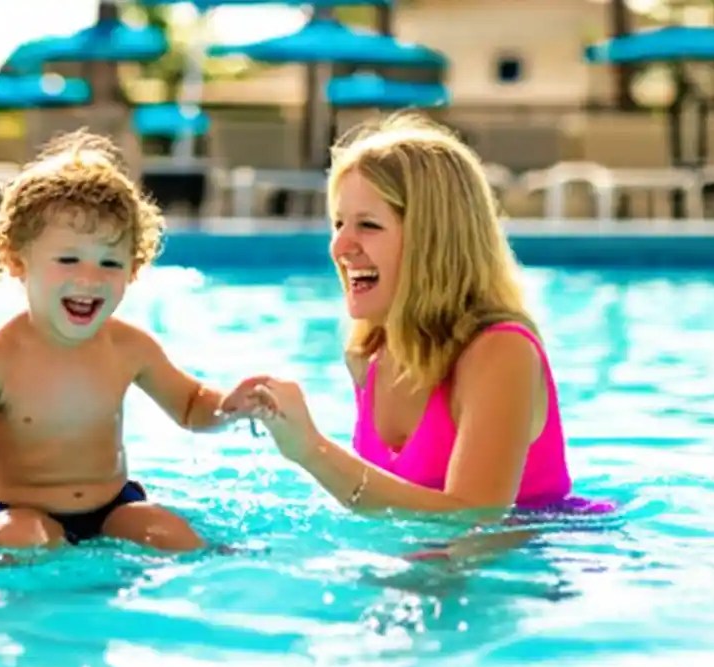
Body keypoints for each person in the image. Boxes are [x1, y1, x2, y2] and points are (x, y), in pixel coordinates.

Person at [227, 114, 612, 520]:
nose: (340, 246)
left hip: (526, 571)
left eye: (368, 225)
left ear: (433, 240)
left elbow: (473, 521)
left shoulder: (501, 350)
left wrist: (313, 450)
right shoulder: (370, 353)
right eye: (339, 223)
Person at [0, 131, 257, 560]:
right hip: (19, 510)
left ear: (134, 269)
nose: (89, 279)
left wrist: (231, 406)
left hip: (111, 507)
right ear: (16, 261)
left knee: (167, 531)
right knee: (19, 534)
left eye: (110, 263)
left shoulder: (128, 346)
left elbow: (189, 404)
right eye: (68, 260)